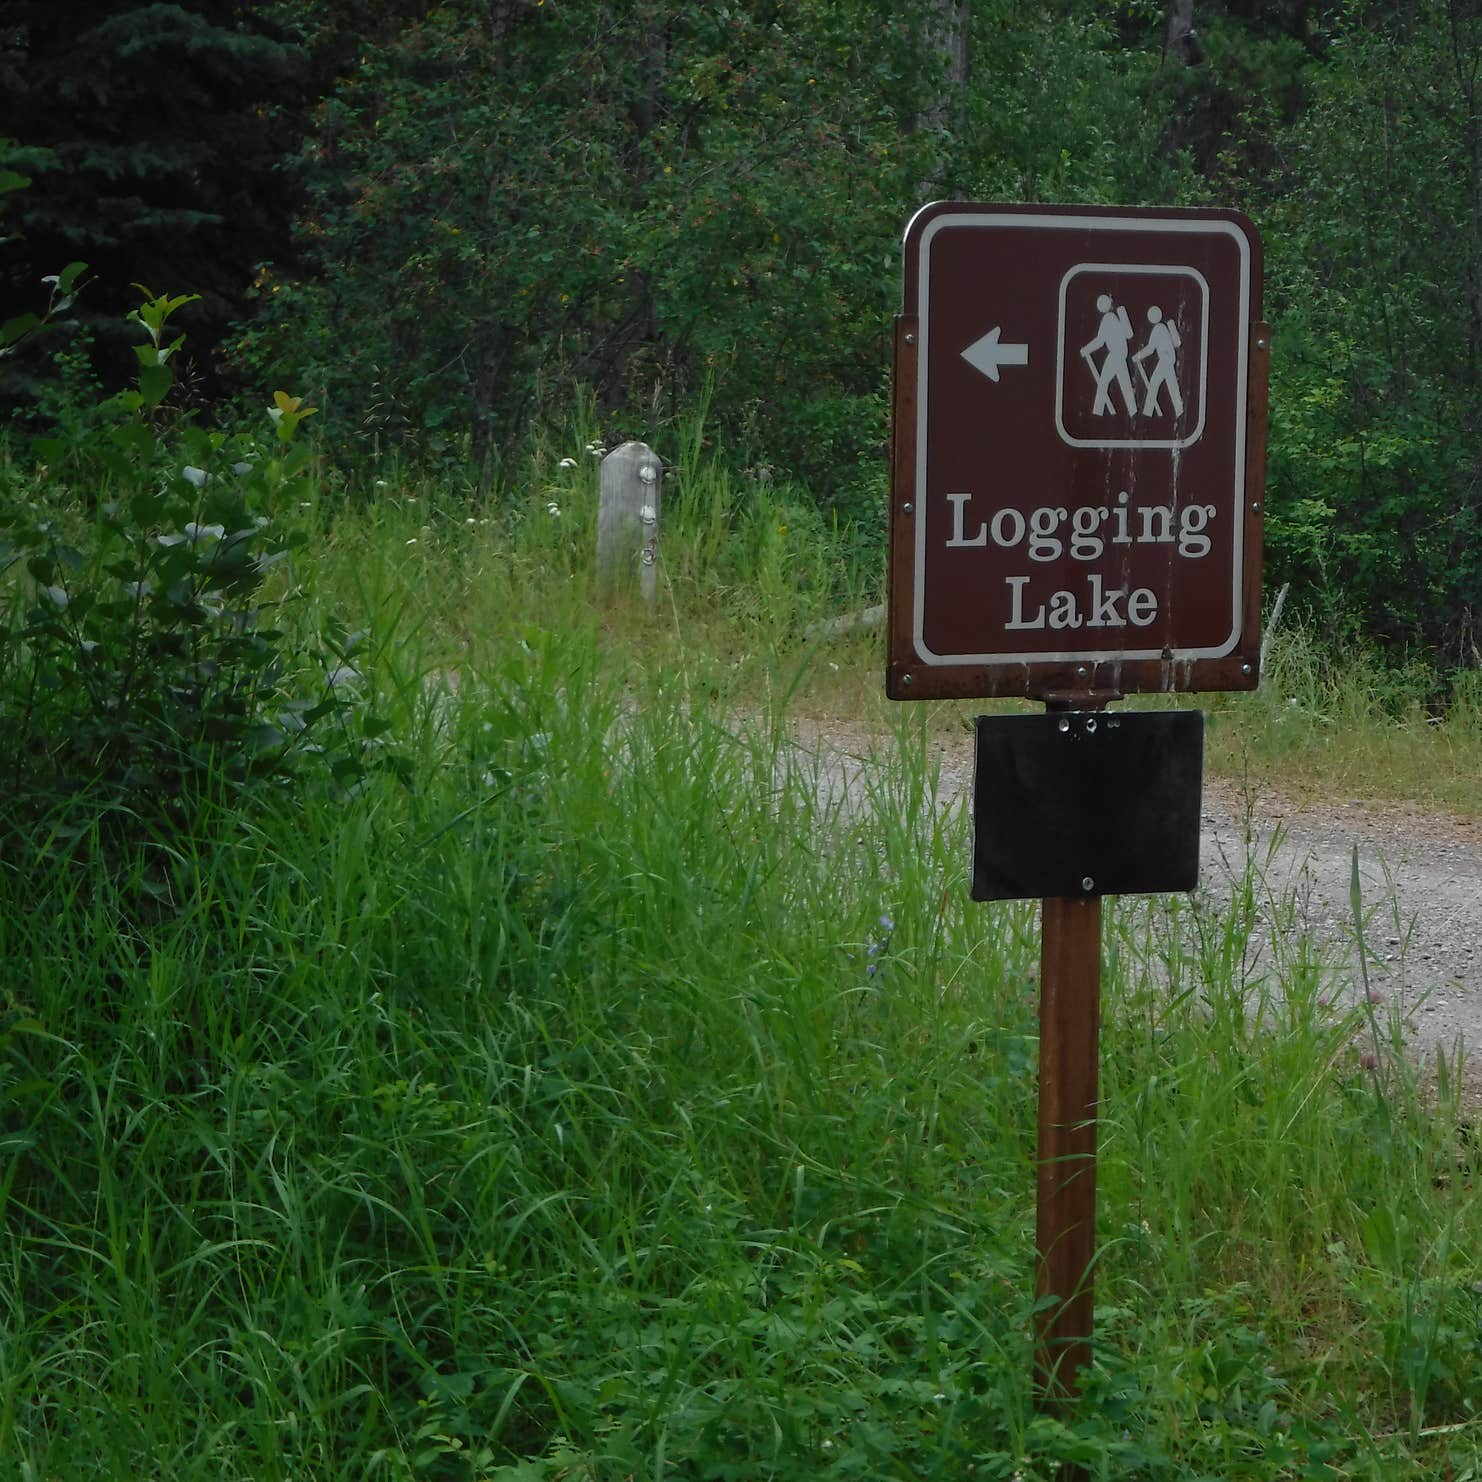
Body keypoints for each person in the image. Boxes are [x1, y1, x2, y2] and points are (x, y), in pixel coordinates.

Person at [1079, 294, 1136, 416]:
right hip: (1121, 355)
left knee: (1103, 383)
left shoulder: (1108, 318)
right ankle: (1133, 412)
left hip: (1115, 355)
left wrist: (1085, 350)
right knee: (1125, 385)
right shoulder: (1115, 317)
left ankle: (1097, 412)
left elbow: (1100, 341)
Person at [1132, 305, 1183, 417]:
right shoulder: (1163, 327)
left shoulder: (1158, 329)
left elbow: (1150, 349)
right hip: (1169, 359)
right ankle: (1179, 410)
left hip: (1165, 360)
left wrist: (1137, 356)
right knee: (1171, 386)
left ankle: (1148, 412)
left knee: (1154, 384)